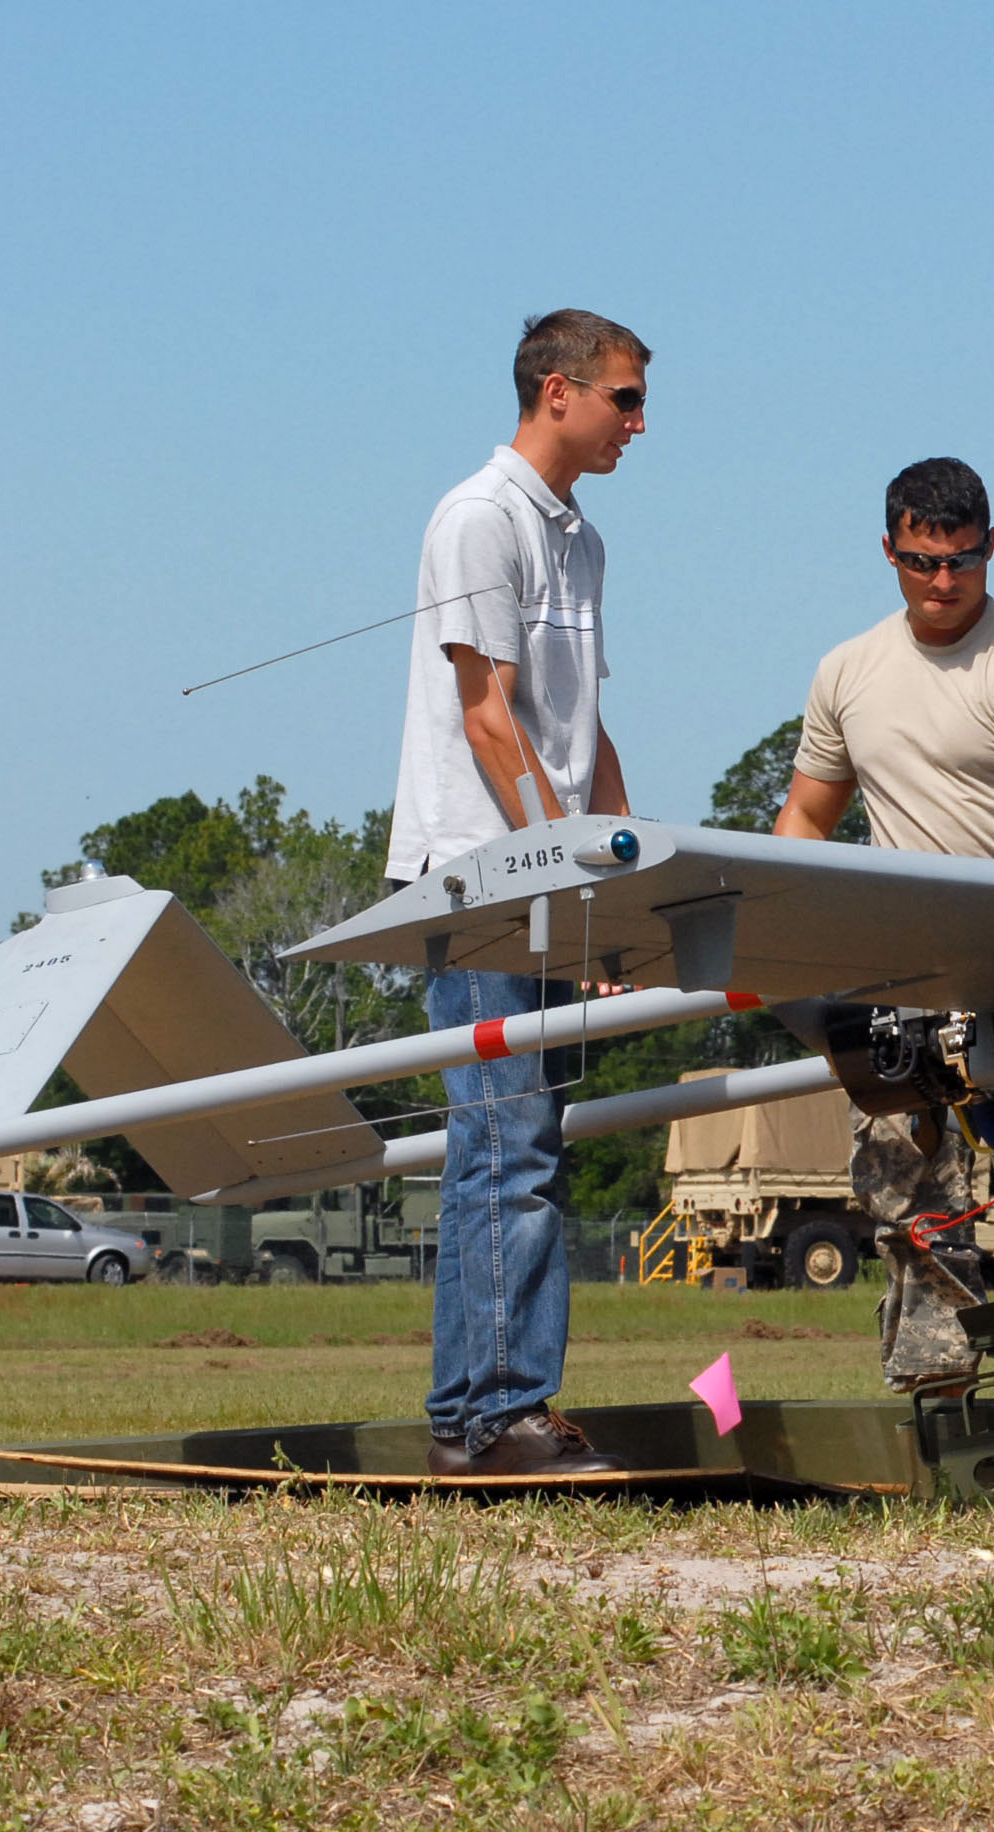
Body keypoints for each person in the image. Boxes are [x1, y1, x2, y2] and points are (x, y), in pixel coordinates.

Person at [386, 309, 649, 1478]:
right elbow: (487, 716)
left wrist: (629, 878)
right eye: (624, 399)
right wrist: (561, 870)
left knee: (523, 1139)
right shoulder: (478, 518)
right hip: (477, 878)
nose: (637, 423)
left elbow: (583, 729)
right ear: (558, 391)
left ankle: (479, 1416)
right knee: (507, 1142)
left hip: (546, 880)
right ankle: (494, 1417)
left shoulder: (580, 541)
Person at [773, 457, 994, 1394]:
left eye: (962, 560)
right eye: (922, 561)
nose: (943, 581)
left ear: (992, 548)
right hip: (893, 986)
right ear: (888, 551)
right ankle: (939, 1404)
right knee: (908, 1205)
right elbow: (804, 822)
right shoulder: (848, 671)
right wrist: (788, 944)